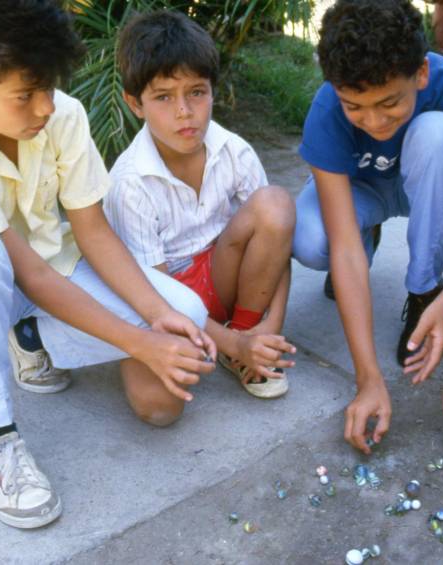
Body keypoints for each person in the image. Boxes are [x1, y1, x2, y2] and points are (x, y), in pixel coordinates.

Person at [0, 0, 218, 529]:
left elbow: (93, 233)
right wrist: (139, 341)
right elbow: (23, 271)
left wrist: (154, 312)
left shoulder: (64, 116)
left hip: (53, 270)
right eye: (25, 95)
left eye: (50, 87)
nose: (45, 108)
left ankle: (29, 338)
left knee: (185, 312)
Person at [292, 0, 443, 453]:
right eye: (355, 107)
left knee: (436, 135)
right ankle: (370, 231)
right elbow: (343, 248)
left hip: (422, 183)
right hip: (360, 193)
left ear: (422, 74)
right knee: (313, 240)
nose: (373, 121)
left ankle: (423, 287)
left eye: (390, 102)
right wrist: (368, 380)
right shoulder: (326, 108)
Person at [105, 10, 296, 399]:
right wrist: (228, 341)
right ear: (134, 103)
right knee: (157, 407)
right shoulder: (128, 184)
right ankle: (232, 343)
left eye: (196, 92)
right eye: (163, 96)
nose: (184, 111)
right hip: (166, 300)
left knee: (274, 203)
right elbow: (154, 296)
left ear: (212, 91)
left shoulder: (234, 152)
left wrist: (268, 329)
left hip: (224, 274)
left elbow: (279, 243)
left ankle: (244, 335)